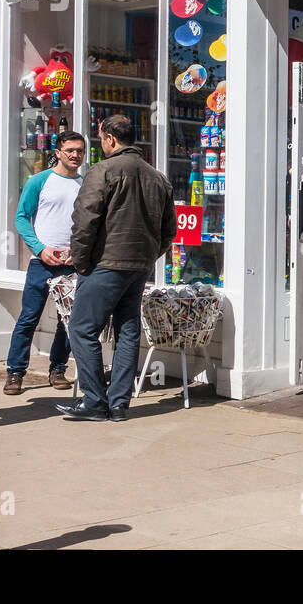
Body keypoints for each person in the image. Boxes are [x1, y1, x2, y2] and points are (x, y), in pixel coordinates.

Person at [56, 115, 175, 422]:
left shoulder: (102, 171)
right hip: (138, 267)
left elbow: (85, 221)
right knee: (127, 331)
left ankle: (95, 401)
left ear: (109, 138)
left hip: (106, 264)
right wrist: (149, 257)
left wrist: (82, 263)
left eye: (100, 138)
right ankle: (119, 403)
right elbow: (168, 231)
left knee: (82, 329)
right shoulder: (157, 177)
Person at [5, 131, 86, 395]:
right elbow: (20, 218)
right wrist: (39, 249)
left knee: (68, 320)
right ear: (58, 152)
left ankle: (58, 369)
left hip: (73, 262)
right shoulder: (39, 181)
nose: (75, 155)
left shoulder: (85, 184)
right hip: (42, 262)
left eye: (80, 151)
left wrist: (80, 249)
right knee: (29, 317)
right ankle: (15, 372)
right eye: (70, 150)